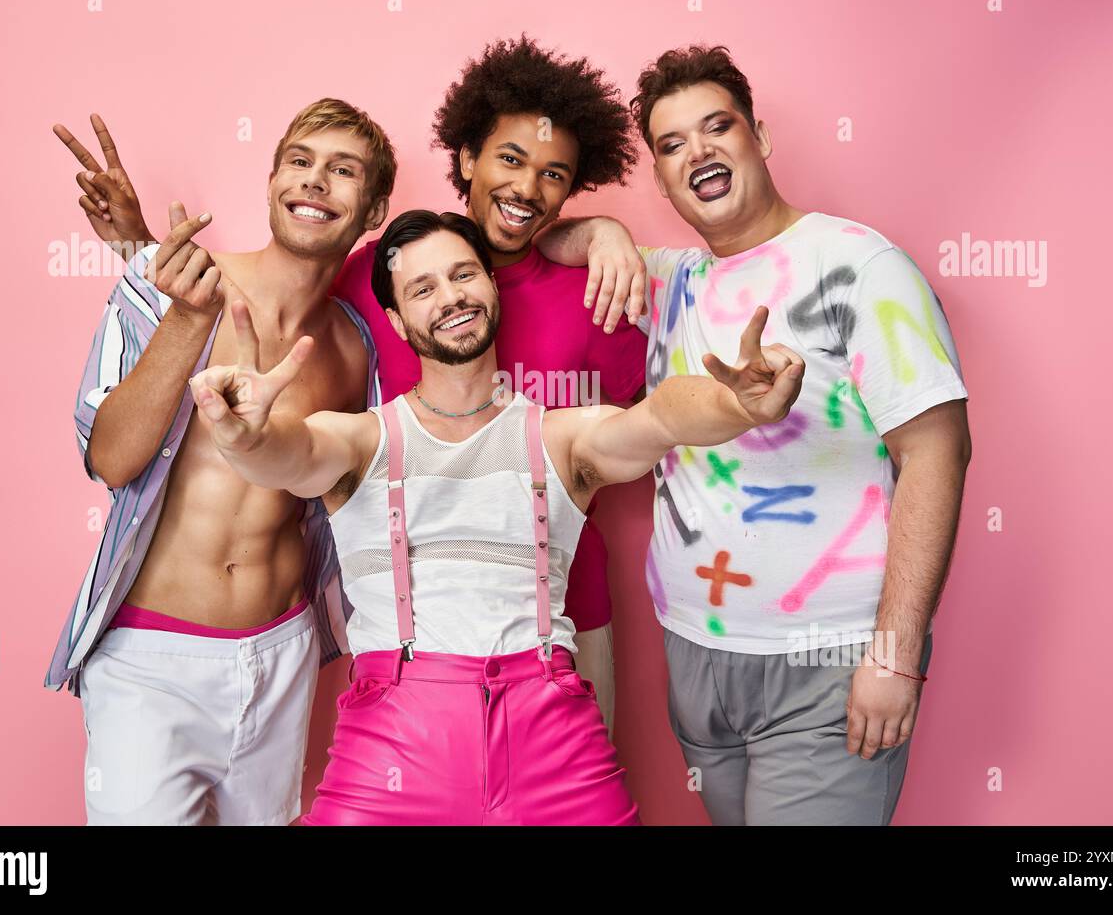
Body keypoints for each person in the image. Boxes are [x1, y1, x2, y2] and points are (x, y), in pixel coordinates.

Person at [187, 210, 806, 825]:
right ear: (399, 321)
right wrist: (244, 438)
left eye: (464, 275)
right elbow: (287, 454)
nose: (451, 297)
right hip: (392, 749)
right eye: (423, 289)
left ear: (490, 284)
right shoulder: (357, 441)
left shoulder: (562, 438)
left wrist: (734, 403)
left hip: (553, 743)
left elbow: (661, 418)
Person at [537, 45, 972, 825]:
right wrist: (602, 231)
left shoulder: (859, 266)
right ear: (664, 178)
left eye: (717, 127)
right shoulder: (670, 280)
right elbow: (538, 239)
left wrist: (896, 657)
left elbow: (938, 452)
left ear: (759, 137)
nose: (697, 152)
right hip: (697, 661)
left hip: (826, 664)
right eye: (671, 146)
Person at [46, 101, 395, 825]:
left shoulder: (357, 345)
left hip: (283, 655)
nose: (315, 181)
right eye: (299, 161)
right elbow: (111, 460)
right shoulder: (172, 287)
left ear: (375, 209)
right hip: (151, 658)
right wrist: (187, 321)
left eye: (343, 171)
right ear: (270, 182)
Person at [330, 36, 648, 734]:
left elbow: (643, 437)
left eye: (555, 174)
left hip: (563, 612)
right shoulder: (376, 276)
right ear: (467, 157)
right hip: (414, 624)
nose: (529, 189)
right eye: (510, 158)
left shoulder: (596, 292)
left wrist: (603, 232)